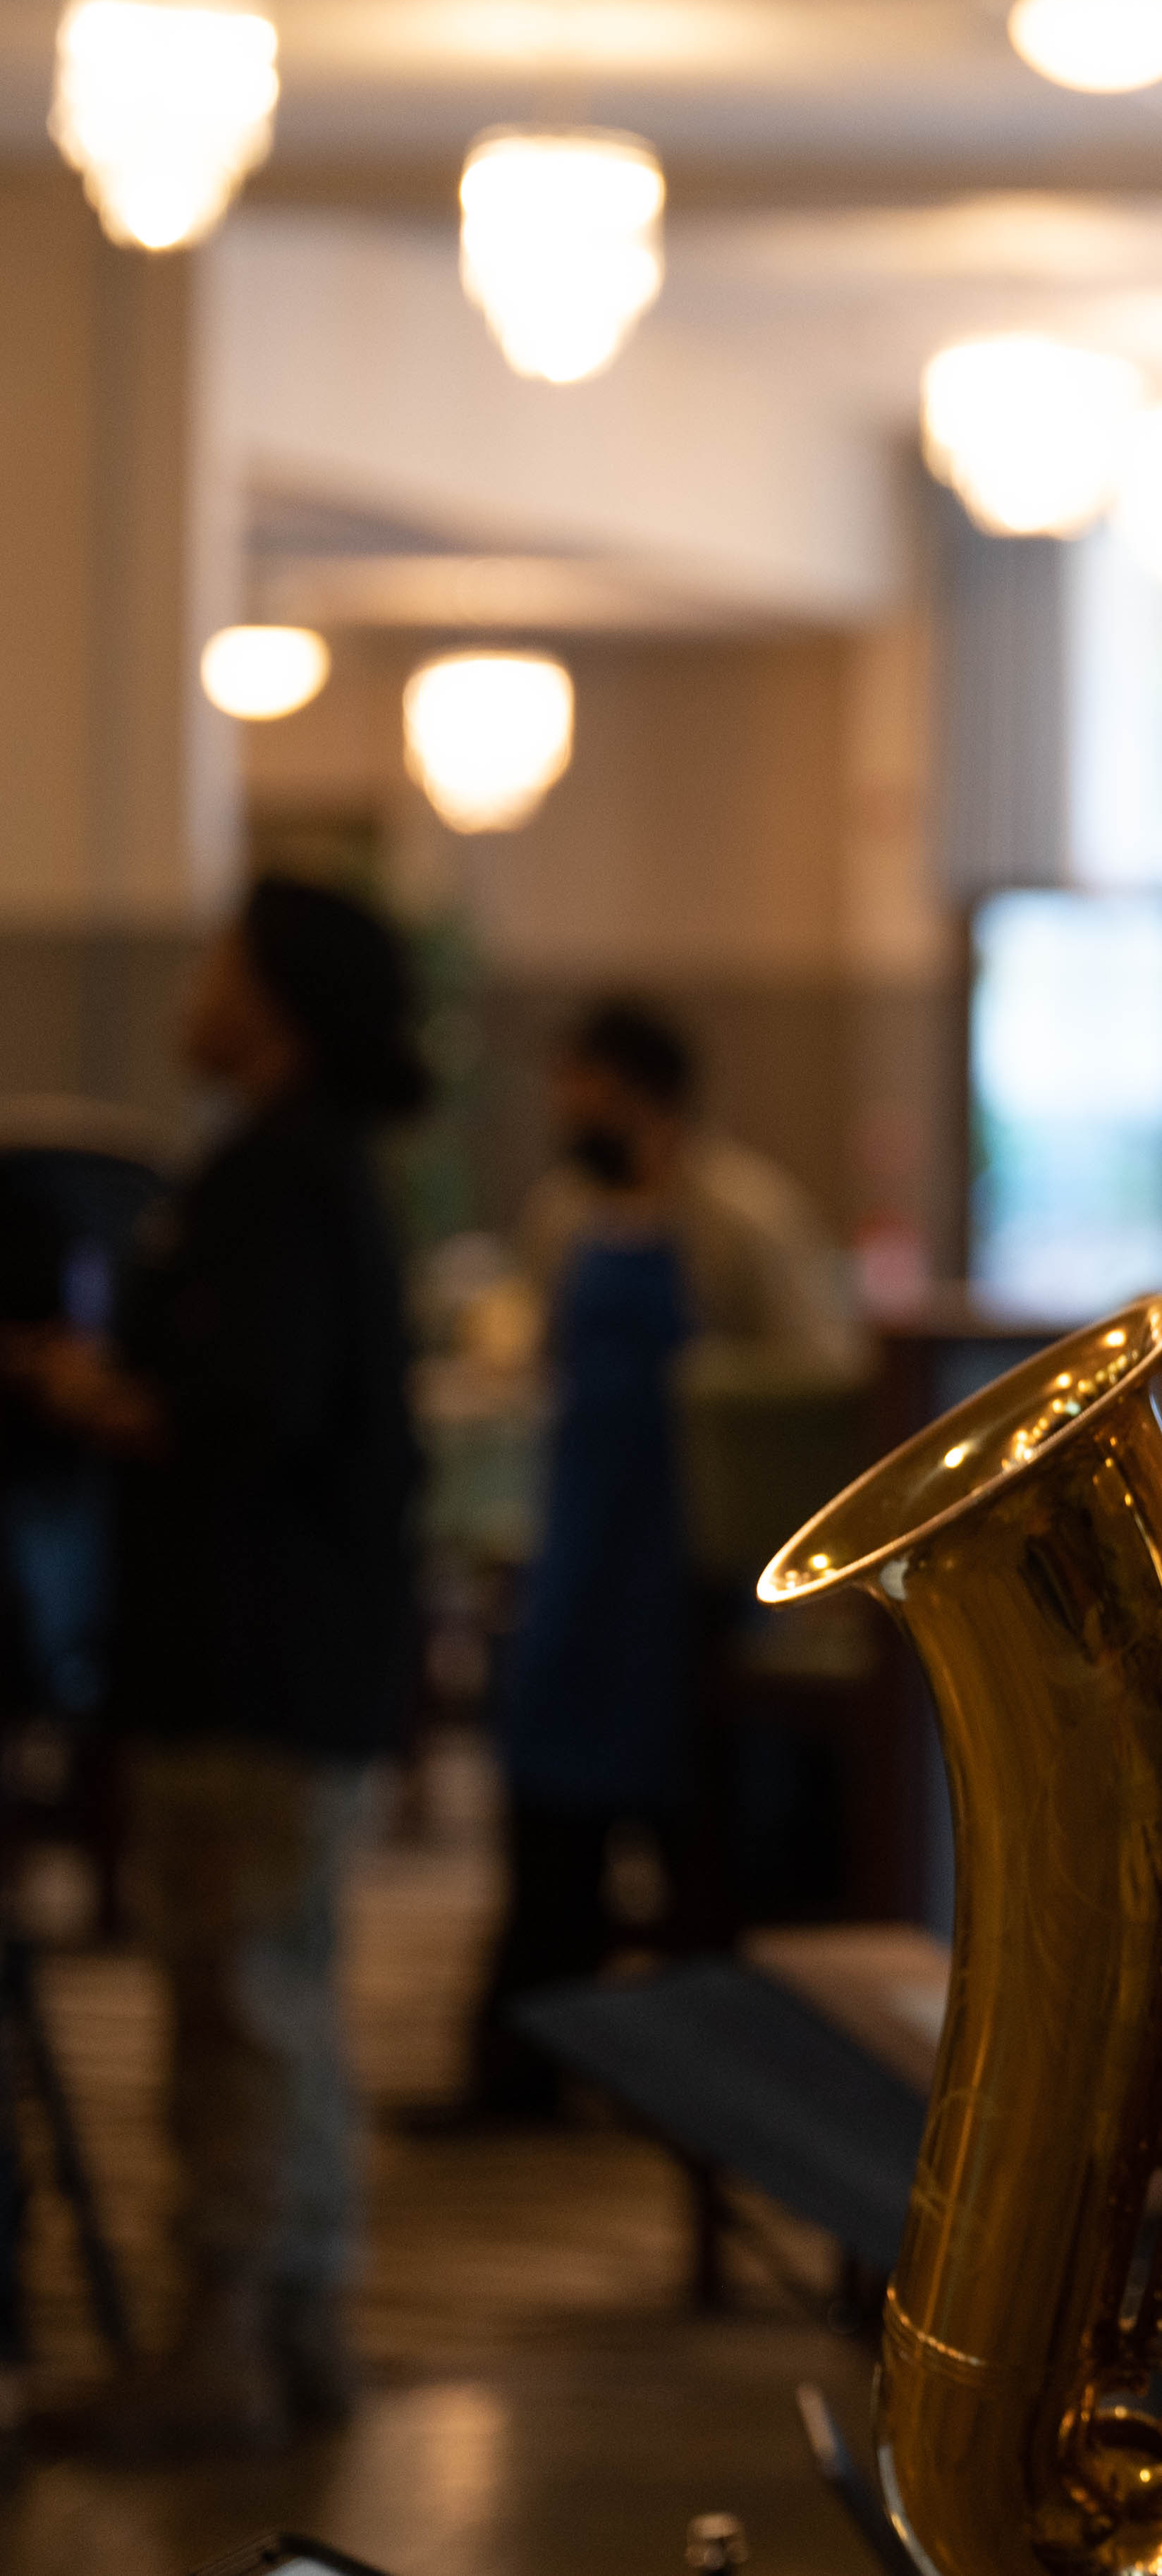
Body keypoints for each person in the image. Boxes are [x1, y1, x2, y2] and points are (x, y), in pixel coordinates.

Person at [11, 877, 428, 2458]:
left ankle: (227, 2336)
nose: (194, 986)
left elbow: (244, 1408)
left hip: (250, 1656)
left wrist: (82, 1388)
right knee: (280, 1989)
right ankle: (299, 2326)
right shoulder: (315, 1168)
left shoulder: (272, 1175)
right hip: (298, 1653)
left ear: (275, 1000)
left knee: (237, 1995)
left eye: (219, 961)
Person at [450, 998, 860, 2121]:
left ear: (638, 1093)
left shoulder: (740, 1216)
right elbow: (544, 1364)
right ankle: (527, 2062)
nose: (562, 1108)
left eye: (579, 1085)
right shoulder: (564, 1216)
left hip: (689, 1569)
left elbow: (819, 1378)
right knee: (545, 1802)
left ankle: (691, 2082)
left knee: (698, 1826)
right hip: (583, 1547)